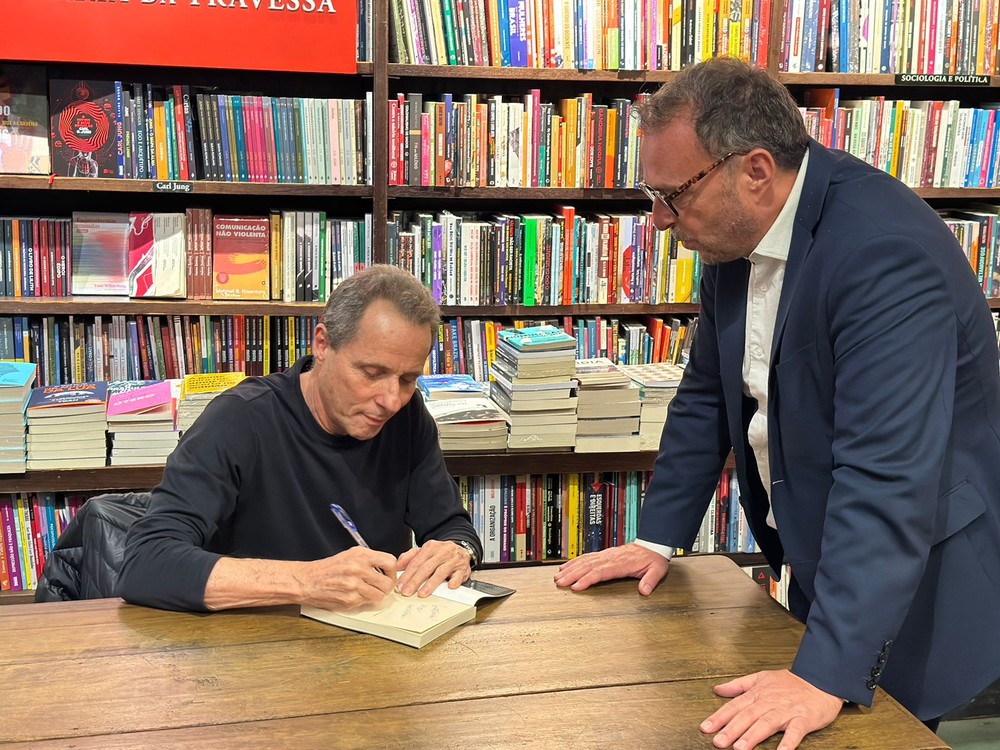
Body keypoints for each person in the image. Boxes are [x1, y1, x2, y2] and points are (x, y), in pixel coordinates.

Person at [555, 57, 1000, 749]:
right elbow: (707, 393)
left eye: (673, 196)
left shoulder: (884, 256)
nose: (660, 222)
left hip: (915, 585)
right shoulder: (735, 232)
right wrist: (655, 537)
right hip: (820, 556)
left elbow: (886, 480)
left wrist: (826, 673)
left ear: (754, 171)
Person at [117, 264, 483, 613]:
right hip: (253, 650)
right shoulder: (240, 419)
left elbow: (452, 526)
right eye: (372, 373)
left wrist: (457, 550)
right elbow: (147, 562)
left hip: (372, 649)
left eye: (407, 379)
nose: (390, 400)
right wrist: (307, 581)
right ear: (322, 344)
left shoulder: (407, 415)